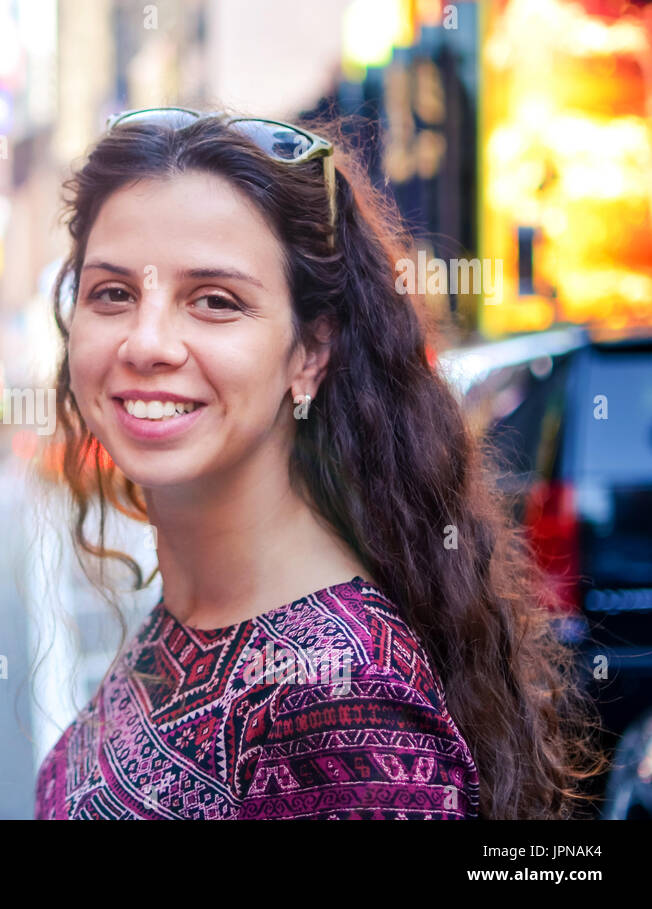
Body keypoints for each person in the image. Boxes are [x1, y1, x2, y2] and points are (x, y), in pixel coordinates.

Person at [32, 107, 605, 820]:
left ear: (310, 353)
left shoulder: (340, 699)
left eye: (214, 300)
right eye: (113, 293)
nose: (147, 342)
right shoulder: (201, 604)